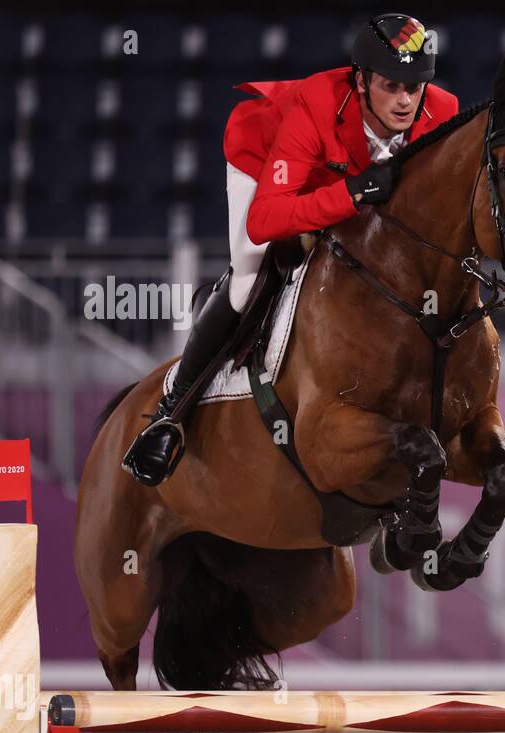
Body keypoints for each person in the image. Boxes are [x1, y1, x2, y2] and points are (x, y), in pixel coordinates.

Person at [123, 13, 459, 485]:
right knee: (249, 267)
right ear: (361, 82)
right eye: (391, 86)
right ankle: (169, 413)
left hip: (347, 175)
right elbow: (265, 221)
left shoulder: (441, 111)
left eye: (415, 86)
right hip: (265, 159)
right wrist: (352, 194)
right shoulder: (317, 103)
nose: (406, 101)